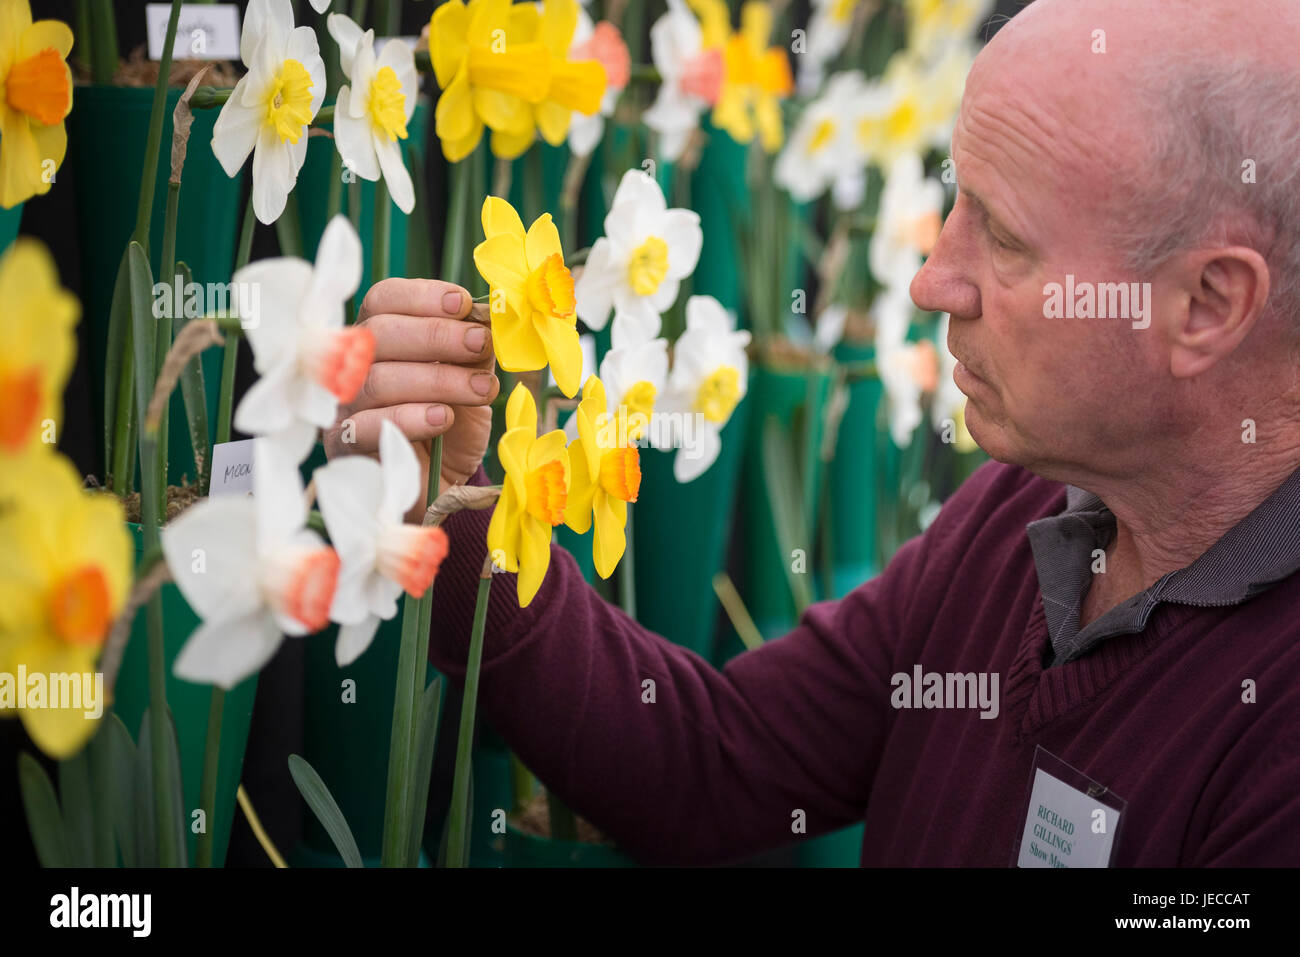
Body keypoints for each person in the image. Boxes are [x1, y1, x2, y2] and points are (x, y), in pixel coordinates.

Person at [322, 0, 1300, 866]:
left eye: (1002, 237)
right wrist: (458, 510)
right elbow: (715, 764)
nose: (929, 279)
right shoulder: (1031, 509)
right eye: (950, 195)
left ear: (1207, 304)